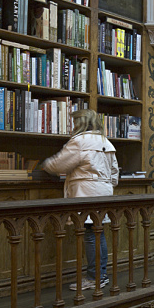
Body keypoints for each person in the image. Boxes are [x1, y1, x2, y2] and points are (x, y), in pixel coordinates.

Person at [41, 109, 119, 291]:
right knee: (99, 234)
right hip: (104, 192)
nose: (71, 126)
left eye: (73, 122)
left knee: (91, 235)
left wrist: (43, 166)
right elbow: (115, 173)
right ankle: (101, 275)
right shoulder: (105, 141)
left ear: (80, 123)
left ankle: (94, 278)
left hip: (86, 193)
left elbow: (59, 164)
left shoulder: (80, 141)